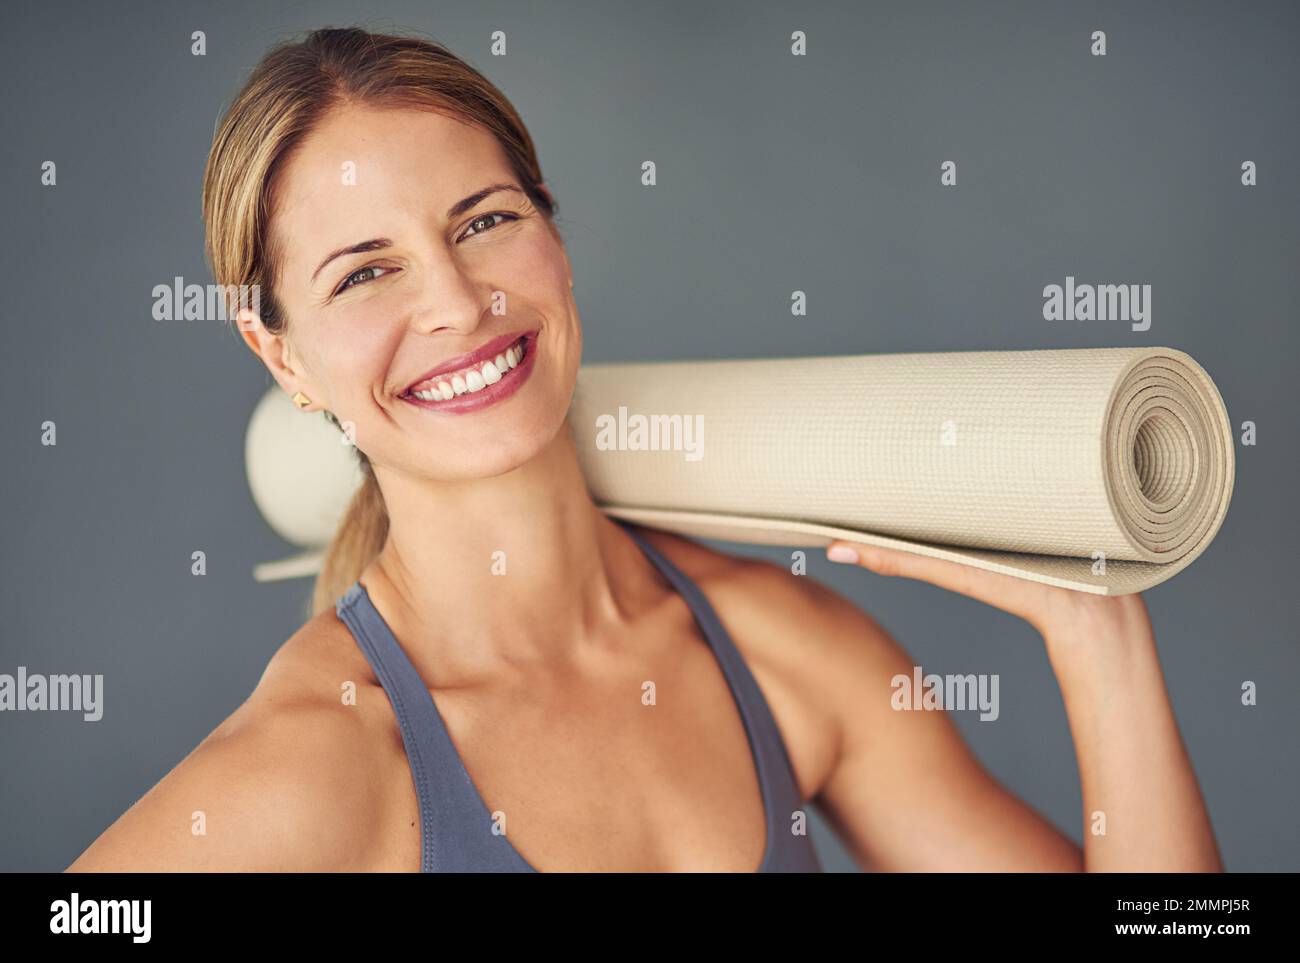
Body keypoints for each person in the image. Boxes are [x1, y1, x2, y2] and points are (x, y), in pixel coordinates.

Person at [66, 26, 1221, 873]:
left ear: (554, 234)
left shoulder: (783, 652)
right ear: (280, 356)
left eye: (486, 221)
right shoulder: (328, 757)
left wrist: (1099, 635)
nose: (459, 305)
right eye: (366, 273)